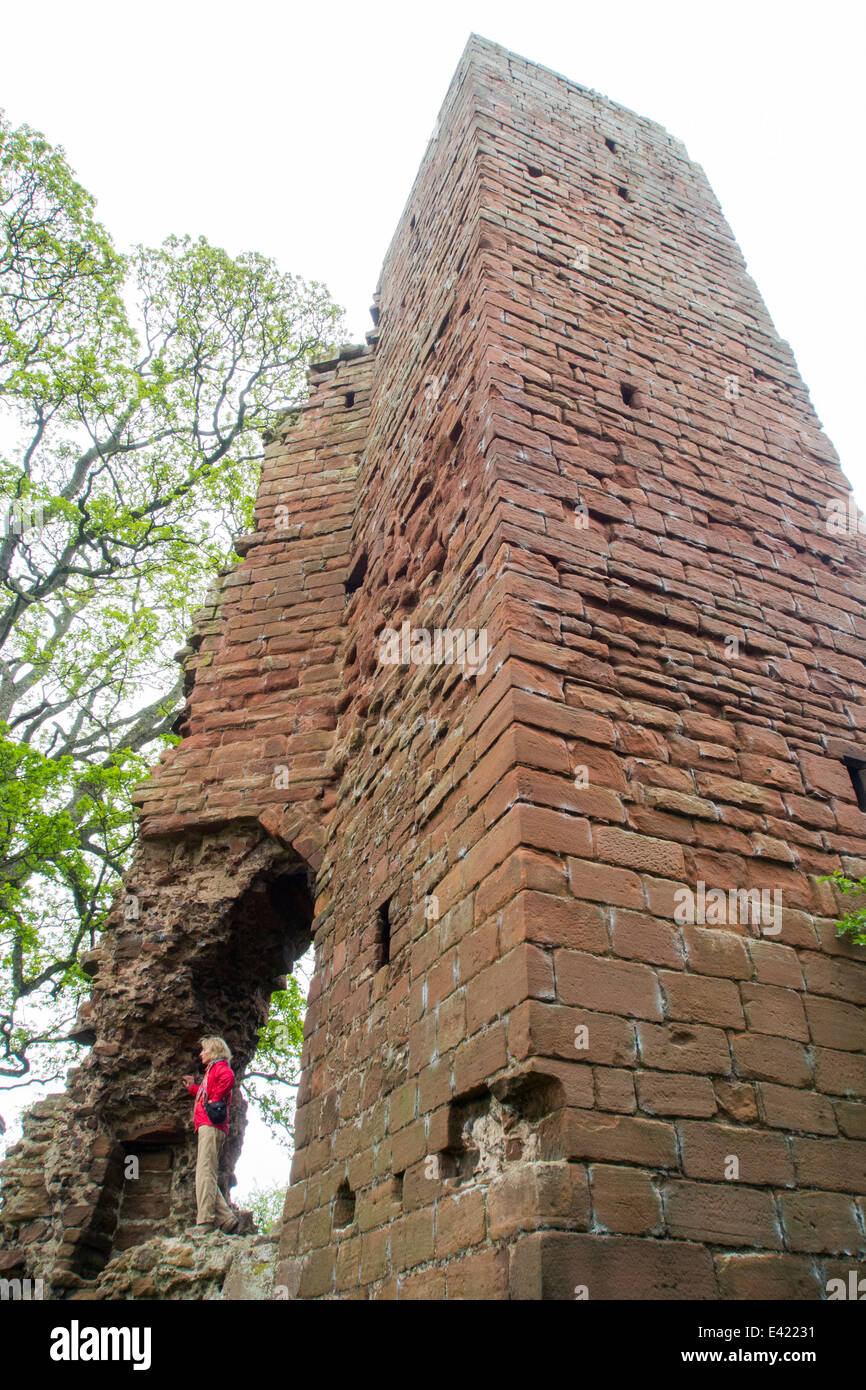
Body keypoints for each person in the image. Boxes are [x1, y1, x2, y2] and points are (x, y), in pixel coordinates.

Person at [183, 1035, 239, 1232]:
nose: (201, 1054)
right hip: (207, 1123)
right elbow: (206, 1092)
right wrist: (192, 1088)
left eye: (204, 1050)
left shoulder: (220, 1068)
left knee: (205, 1171)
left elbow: (228, 1079)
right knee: (205, 1172)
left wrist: (213, 1102)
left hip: (211, 1123)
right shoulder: (212, 1070)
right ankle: (226, 1219)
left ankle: (205, 1221)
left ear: (214, 1051)